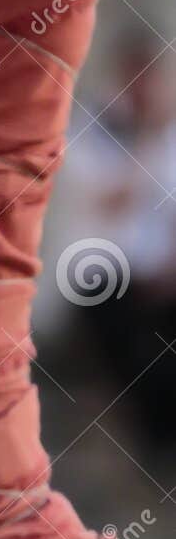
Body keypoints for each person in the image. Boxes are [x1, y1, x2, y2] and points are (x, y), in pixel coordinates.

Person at [64, 33, 176, 469]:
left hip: (160, 274)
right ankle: (158, 443)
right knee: (134, 349)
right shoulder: (94, 128)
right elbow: (110, 200)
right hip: (104, 273)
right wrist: (147, 138)